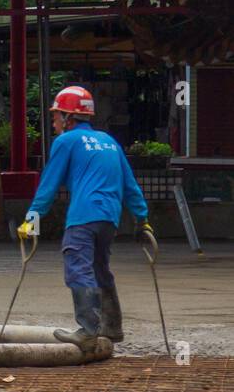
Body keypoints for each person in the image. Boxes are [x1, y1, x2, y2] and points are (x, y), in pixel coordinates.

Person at [19, 86, 149, 350]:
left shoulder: (65, 142)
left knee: (78, 266)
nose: (54, 122)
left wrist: (31, 219)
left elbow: (48, 186)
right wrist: (142, 219)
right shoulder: (110, 142)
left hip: (83, 215)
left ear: (69, 117)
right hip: (109, 219)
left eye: (56, 116)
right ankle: (112, 327)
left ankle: (88, 329)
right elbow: (130, 186)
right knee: (100, 268)